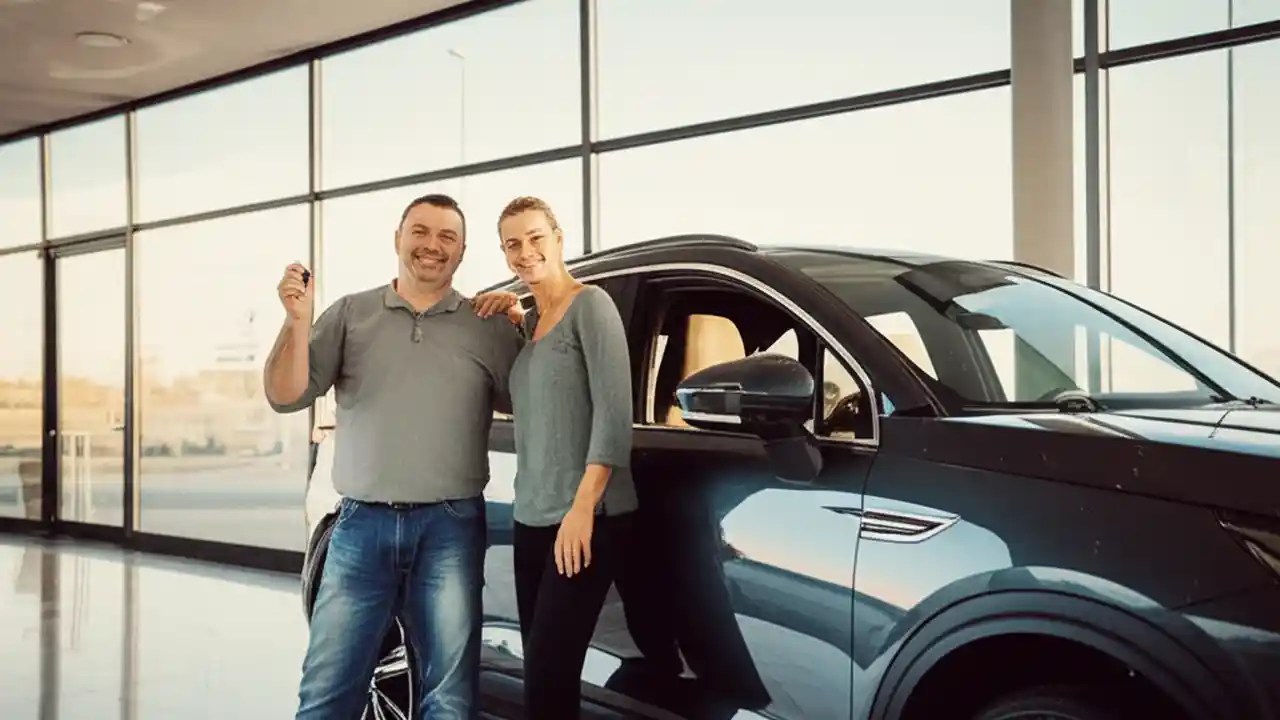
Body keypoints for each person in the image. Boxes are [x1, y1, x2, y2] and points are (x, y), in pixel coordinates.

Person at [264, 193, 523, 720]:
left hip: (451, 528)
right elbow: (286, 393)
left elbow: (538, 402)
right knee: (327, 693)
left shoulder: (486, 325)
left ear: (463, 250)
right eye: (421, 232)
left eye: (447, 236)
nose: (433, 246)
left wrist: (524, 320)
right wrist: (296, 320)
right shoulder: (350, 314)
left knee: (448, 699)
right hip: (362, 526)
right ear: (398, 240)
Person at [494, 196, 638, 717]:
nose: (525, 252)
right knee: (541, 680)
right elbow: (535, 407)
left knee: (551, 677)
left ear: (558, 237)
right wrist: (508, 319)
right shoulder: (530, 326)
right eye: (513, 244)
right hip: (530, 517)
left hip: (585, 517)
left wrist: (583, 510)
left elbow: (613, 414)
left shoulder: (590, 306)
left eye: (535, 238)